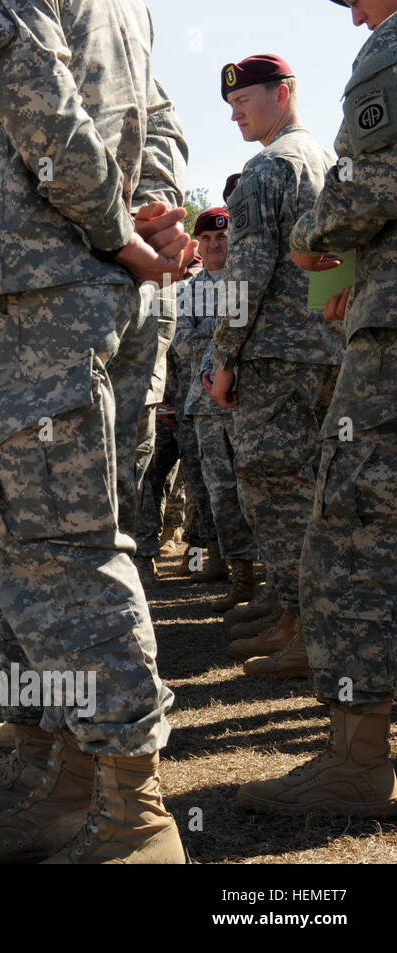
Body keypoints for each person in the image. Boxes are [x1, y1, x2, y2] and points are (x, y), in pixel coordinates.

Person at [0, 0, 191, 863]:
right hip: (93, 287)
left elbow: (38, 97)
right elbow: (158, 116)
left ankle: (133, 818)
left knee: (53, 546)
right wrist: (150, 215)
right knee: (76, 536)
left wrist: (120, 231)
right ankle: (77, 782)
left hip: (35, 285)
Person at [238, 0, 397, 816]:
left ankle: (360, 757)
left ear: (281, 93)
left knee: (352, 521)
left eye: (243, 99)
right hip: (349, 326)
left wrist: (318, 236)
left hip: (362, 335)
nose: (351, 12)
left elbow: (363, 191)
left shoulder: (390, 46)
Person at [209, 54, 344, 677]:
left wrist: (224, 358)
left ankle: (304, 628)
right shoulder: (324, 161)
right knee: (314, 491)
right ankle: (298, 618)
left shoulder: (269, 167)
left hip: (274, 356)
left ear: (282, 94)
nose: (235, 112)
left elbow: (245, 275)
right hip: (324, 352)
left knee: (273, 490)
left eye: (245, 100)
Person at [174, 208, 259, 614]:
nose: (214, 245)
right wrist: (225, 342)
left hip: (251, 399)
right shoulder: (187, 291)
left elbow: (256, 339)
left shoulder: (249, 283)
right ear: (198, 244)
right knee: (220, 491)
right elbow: (182, 344)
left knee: (258, 485)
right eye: (206, 239)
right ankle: (240, 576)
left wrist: (214, 340)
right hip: (206, 403)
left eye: (221, 238)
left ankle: (275, 579)